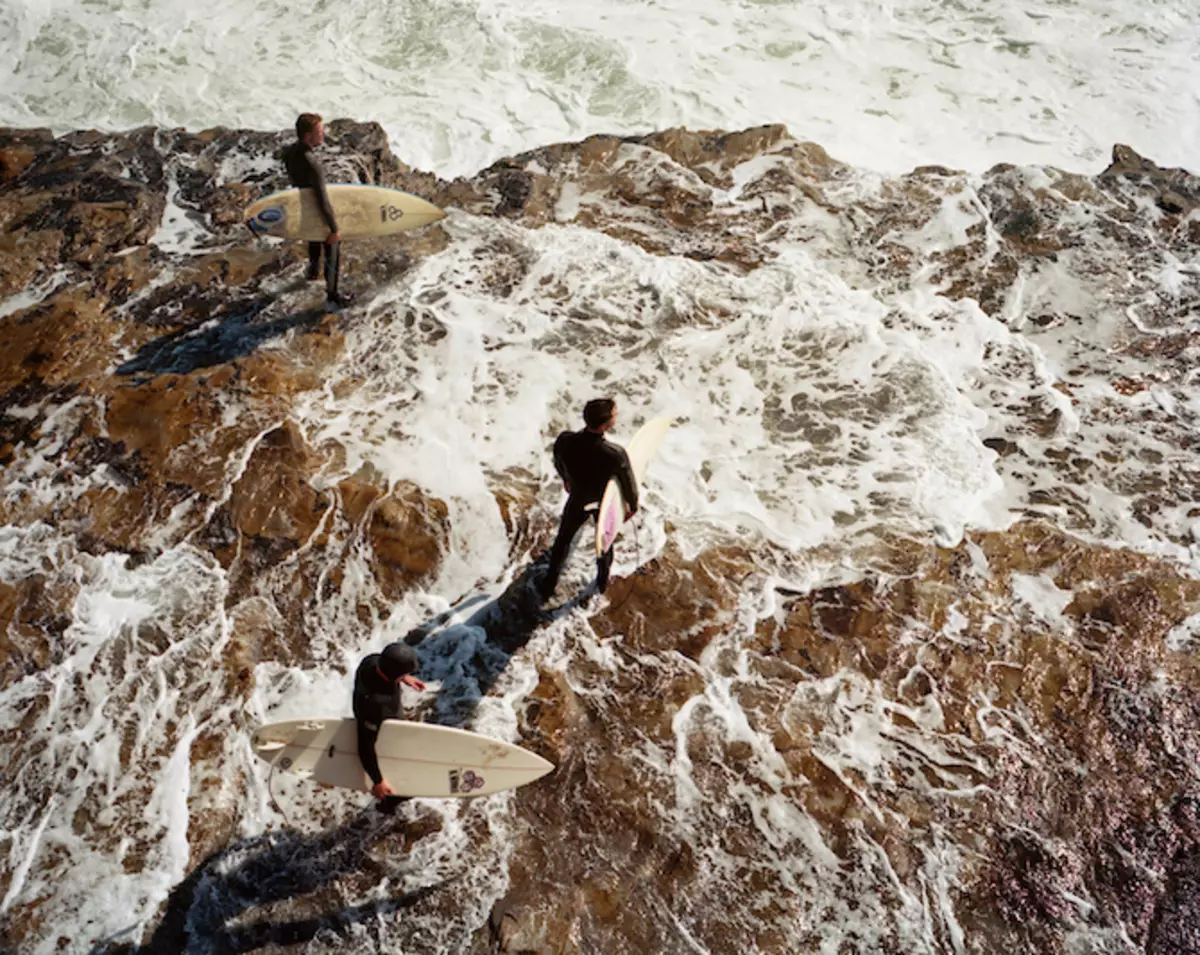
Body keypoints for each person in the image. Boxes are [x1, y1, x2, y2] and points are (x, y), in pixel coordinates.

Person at [539, 398, 638, 601]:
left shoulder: (565, 440)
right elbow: (629, 486)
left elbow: (558, 460)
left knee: (563, 540)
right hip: (602, 502)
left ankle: (548, 585)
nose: (616, 414)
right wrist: (631, 507)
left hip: (578, 497)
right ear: (604, 425)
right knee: (604, 541)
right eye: (614, 414)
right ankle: (602, 581)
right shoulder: (615, 454)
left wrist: (566, 479)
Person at [281, 112, 354, 310]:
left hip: (303, 207)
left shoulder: (290, 153)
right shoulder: (312, 163)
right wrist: (334, 229)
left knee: (313, 240)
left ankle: (312, 274)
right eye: (319, 132)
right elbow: (322, 199)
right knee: (332, 249)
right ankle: (333, 295)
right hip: (317, 209)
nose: (323, 135)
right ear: (308, 136)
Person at [352, 641, 426, 800]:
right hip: (378, 719)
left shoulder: (371, 661)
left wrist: (405, 678)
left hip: (375, 703)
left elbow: (388, 668)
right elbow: (365, 746)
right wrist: (378, 781)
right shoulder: (378, 705)